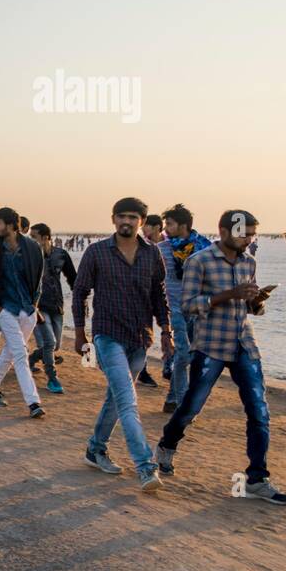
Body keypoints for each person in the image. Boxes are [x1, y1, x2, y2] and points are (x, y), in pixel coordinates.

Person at [154, 211, 286, 503]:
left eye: (252, 233)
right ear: (224, 231)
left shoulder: (249, 261)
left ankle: (256, 479)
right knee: (191, 406)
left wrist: (255, 301)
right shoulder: (198, 261)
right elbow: (187, 306)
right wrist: (228, 295)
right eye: (244, 233)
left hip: (244, 345)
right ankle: (166, 444)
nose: (249, 239)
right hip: (210, 345)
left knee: (259, 411)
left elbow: (249, 308)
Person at [72, 197, 173, 492]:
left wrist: (167, 331)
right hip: (107, 335)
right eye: (121, 216)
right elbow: (79, 293)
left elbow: (159, 295)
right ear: (113, 219)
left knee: (116, 398)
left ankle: (95, 449)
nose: (126, 221)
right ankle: (145, 467)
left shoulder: (152, 254)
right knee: (128, 401)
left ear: (142, 221)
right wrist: (80, 334)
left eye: (132, 217)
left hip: (140, 338)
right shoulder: (96, 252)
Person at [0, 207, 46, 418]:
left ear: (11, 225)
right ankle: (33, 402)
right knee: (19, 353)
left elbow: (39, 277)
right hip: (5, 308)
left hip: (28, 308)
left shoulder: (32, 248)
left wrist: (35, 303)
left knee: (11, 350)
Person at [159, 204, 210, 414]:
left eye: (169, 224)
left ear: (183, 225)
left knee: (192, 354)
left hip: (198, 308)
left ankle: (171, 399)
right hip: (175, 309)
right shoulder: (162, 249)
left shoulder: (205, 248)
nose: (166, 228)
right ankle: (183, 405)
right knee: (183, 353)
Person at [28, 223, 77, 394]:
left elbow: (73, 279)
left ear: (45, 237)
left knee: (54, 346)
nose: (30, 239)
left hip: (57, 306)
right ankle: (52, 379)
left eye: (33, 236)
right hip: (38, 306)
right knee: (50, 343)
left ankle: (31, 359)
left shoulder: (61, 255)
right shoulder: (30, 256)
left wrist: (80, 300)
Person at [136, 214, 166, 387]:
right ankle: (142, 371)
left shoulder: (169, 247)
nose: (142, 229)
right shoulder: (141, 247)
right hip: (143, 299)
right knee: (143, 336)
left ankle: (167, 367)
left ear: (156, 227)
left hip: (165, 298)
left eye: (145, 226)